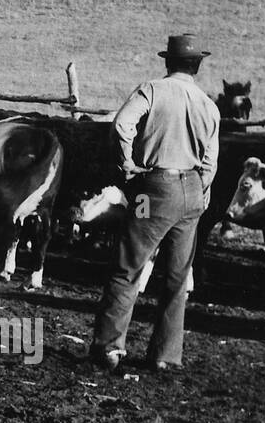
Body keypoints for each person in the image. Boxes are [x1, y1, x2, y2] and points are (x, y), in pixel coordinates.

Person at [90, 34, 220, 373]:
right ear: (198, 65)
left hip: (153, 189)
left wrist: (127, 164)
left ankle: (109, 347)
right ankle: (165, 355)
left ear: (168, 61)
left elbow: (121, 125)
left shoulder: (152, 90)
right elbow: (210, 161)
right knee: (177, 277)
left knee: (128, 265)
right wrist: (196, 189)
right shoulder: (208, 105)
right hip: (191, 191)